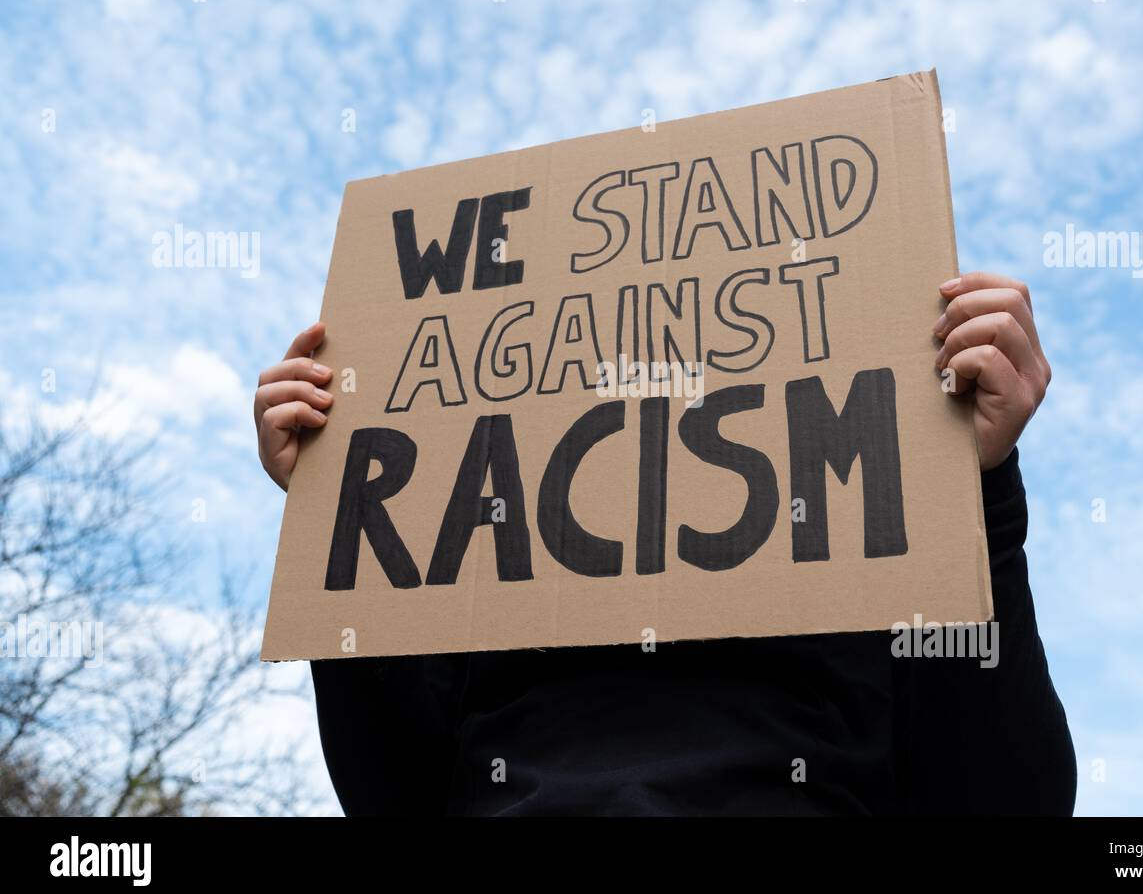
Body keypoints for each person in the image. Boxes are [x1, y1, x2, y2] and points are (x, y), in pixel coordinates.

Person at [254, 271, 1074, 815]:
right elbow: (392, 795)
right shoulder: (487, 582)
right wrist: (339, 508)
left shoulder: (865, 559)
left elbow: (1011, 799)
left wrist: (976, 488)